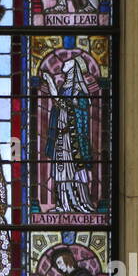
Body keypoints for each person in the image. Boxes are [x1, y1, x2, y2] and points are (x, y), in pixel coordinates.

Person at [41, 54, 96, 214]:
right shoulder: (64, 89)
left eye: (67, 65)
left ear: (74, 70)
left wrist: (50, 82)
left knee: (76, 172)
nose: (63, 66)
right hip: (61, 136)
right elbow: (59, 104)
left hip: (74, 140)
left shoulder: (79, 93)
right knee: (61, 171)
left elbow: (69, 108)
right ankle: (63, 204)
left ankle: (81, 203)